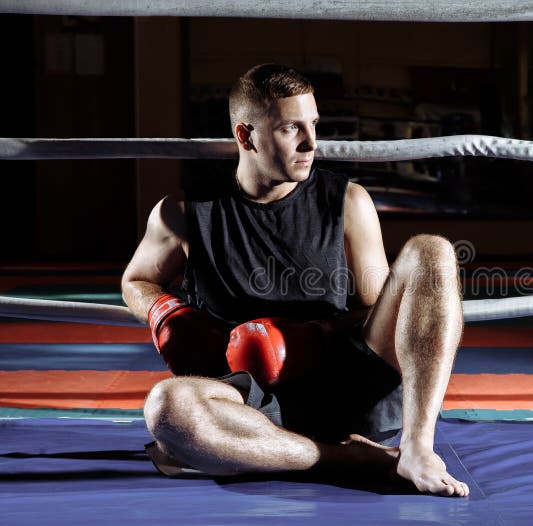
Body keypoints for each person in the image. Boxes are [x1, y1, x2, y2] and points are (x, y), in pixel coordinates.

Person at [121, 63, 468, 497]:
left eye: (313, 125)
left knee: (432, 251)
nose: (311, 142)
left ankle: (417, 447)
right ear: (246, 136)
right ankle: (350, 458)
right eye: (291, 128)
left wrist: (310, 336)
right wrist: (167, 312)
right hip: (252, 405)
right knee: (167, 407)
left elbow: (380, 310)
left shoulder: (348, 202)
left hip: (347, 383)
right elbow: (136, 280)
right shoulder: (186, 214)